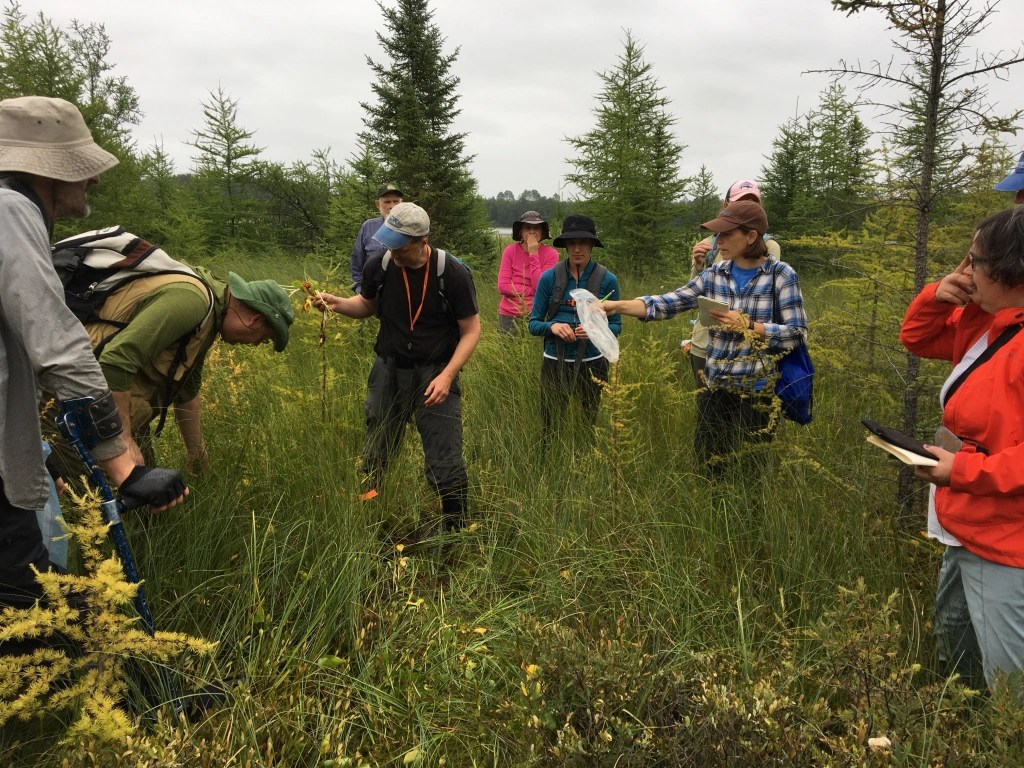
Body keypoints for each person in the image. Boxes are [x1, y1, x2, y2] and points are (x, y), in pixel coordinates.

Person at [0, 96, 186, 615]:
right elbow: (58, 348)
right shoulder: (10, 210)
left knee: (30, 589)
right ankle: (133, 688)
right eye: (77, 167)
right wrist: (124, 467)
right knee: (38, 596)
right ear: (44, 171)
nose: (93, 181)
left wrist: (33, 458)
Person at [49, 230, 295, 475]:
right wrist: (122, 444)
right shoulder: (193, 301)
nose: (254, 345)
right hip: (71, 399)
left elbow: (187, 389)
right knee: (90, 505)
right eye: (263, 338)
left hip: (109, 406)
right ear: (254, 319)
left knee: (150, 495)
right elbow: (116, 360)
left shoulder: (210, 319)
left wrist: (196, 452)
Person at [901, 206, 1024, 691]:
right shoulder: (988, 321)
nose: (964, 270)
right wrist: (936, 296)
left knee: (1010, 689)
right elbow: (918, 338)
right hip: (966, 522)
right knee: (956, 645)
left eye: (973, 261)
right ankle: (962, 734)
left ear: (1010, 271)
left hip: (1005, 542)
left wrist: (965, 472)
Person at [603, 200, 806, 471]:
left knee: (749, 474)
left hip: (757, 394)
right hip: (715, 390)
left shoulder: (781, 276)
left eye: (726, 234)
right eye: (716, 234)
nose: (717, 241)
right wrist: (615, 306)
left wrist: (749, 325)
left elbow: (796, 333)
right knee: (709, 466)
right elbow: (668, 302)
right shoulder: (714, 274)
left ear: (751, 236)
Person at [314, 202, 480, 532]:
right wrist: (338, 305)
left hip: (435, 373)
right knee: (377, 444)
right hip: (388, 369)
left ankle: (456, 524)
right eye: (390, 242)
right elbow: (366, 305)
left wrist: (448, 376)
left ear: (423, 240)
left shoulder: (452, 274)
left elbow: (471, 330)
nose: (394, 252)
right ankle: (374, 506)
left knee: (443, 450)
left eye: (401, 245)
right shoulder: (382, 265)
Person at [528, 214, 620, 437]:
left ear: (591, 245)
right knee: (549, 424)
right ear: (566, 246)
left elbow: (617, 326)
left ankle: (585, 462)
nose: (577, 249)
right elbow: (533, 324)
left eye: (583, 243)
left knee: (588, 423)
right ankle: (548, 460)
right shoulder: (549, 278)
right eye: (572, 243)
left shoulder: (607, 280)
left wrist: (594, 331)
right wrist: (552, 328)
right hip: (554, 360)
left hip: (593, 362)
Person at [686, 179, 782, 385]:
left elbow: (769, 299)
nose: (746, 208)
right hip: (705, 342)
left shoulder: (769, 247)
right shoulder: (707, 245)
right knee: (708, 407)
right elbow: (692, 295)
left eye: (752, 203)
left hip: (749, 350)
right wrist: (698, 265)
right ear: (726, 205)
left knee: (747, 413)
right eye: (739, 202)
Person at [496, 210, 559, 334]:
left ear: (542, 232)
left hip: (536, 314)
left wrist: (533, 253)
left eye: (536, 228)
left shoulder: (552, 254)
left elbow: (540, 286)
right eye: (527, 227)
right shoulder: (510, 251)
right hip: (509, 314)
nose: (531, 231)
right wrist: (531, 291)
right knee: (507, 351)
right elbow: (503, 287)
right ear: (520, 231)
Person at [351, 184, 404, 293]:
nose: (392, 206)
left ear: (401, 203)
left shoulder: (411, 228)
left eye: (396, 201)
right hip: (372, 295)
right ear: (378, 204)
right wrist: (360, 288)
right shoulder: (368, 227)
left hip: (401, 294)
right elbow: (357, 262)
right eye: (387, 202)